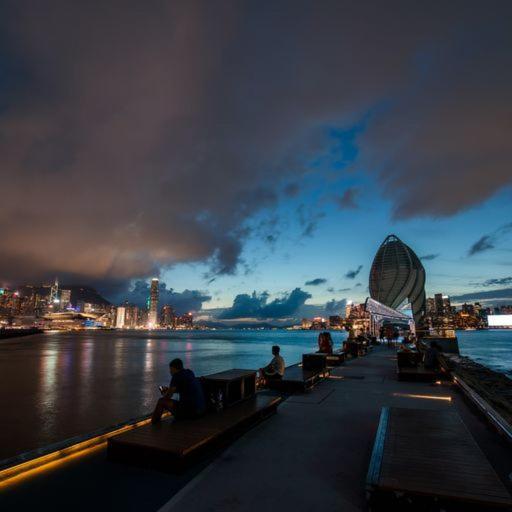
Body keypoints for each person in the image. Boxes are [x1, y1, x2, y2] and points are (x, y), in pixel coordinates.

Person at [152, 358, 206, 424]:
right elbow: (184, 388)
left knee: (161, 401)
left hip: (191, 413)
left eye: (170, 369)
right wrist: (169, 389)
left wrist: (164, 393)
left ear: (174, 368)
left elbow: (167, 397)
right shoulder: (189, 372)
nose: (170, 372)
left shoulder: (176, 376)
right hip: (200, 411)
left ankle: (154, 424)